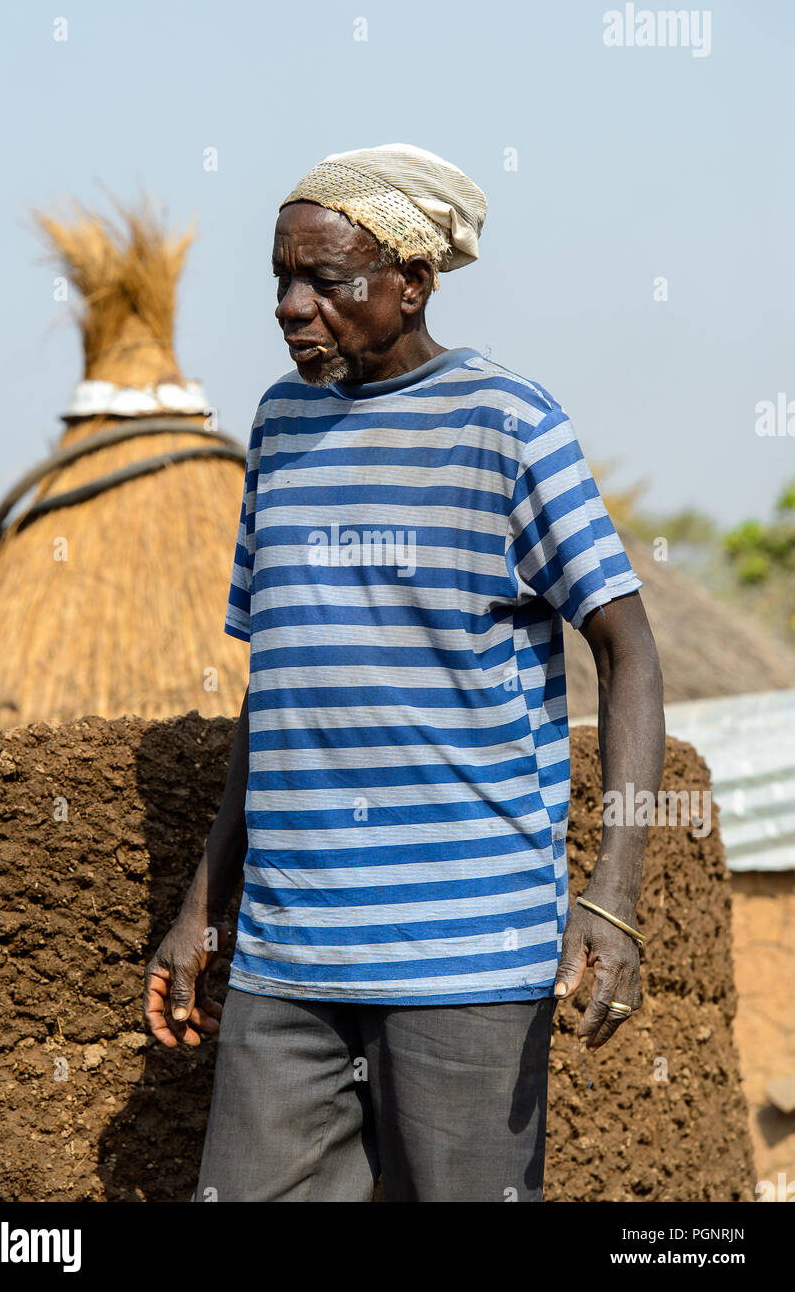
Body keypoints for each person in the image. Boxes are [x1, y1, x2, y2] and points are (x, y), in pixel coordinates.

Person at [144, 142, 665, 1202]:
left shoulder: (508, 422)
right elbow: (276, 686)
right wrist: (206, 897)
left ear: (412, 282)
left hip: (469, 950)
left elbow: (628, 648)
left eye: (325, 282)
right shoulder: (278, 429)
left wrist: (611, 894)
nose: (293, 307)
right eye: (281, 280)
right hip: (290, 955)